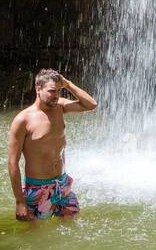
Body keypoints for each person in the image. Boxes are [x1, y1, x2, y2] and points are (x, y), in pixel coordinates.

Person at [7, 69, 97, 221]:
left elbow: (91, 105)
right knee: (37, 236)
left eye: (58, 91)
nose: (56, 96)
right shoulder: (23, 120)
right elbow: (12, 163)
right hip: (38, 188)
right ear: (38, 89)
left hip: (62, 184)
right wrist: (20, 201)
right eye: (51, 91)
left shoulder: (60, 107)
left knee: (71, 228)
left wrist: (67, 84)